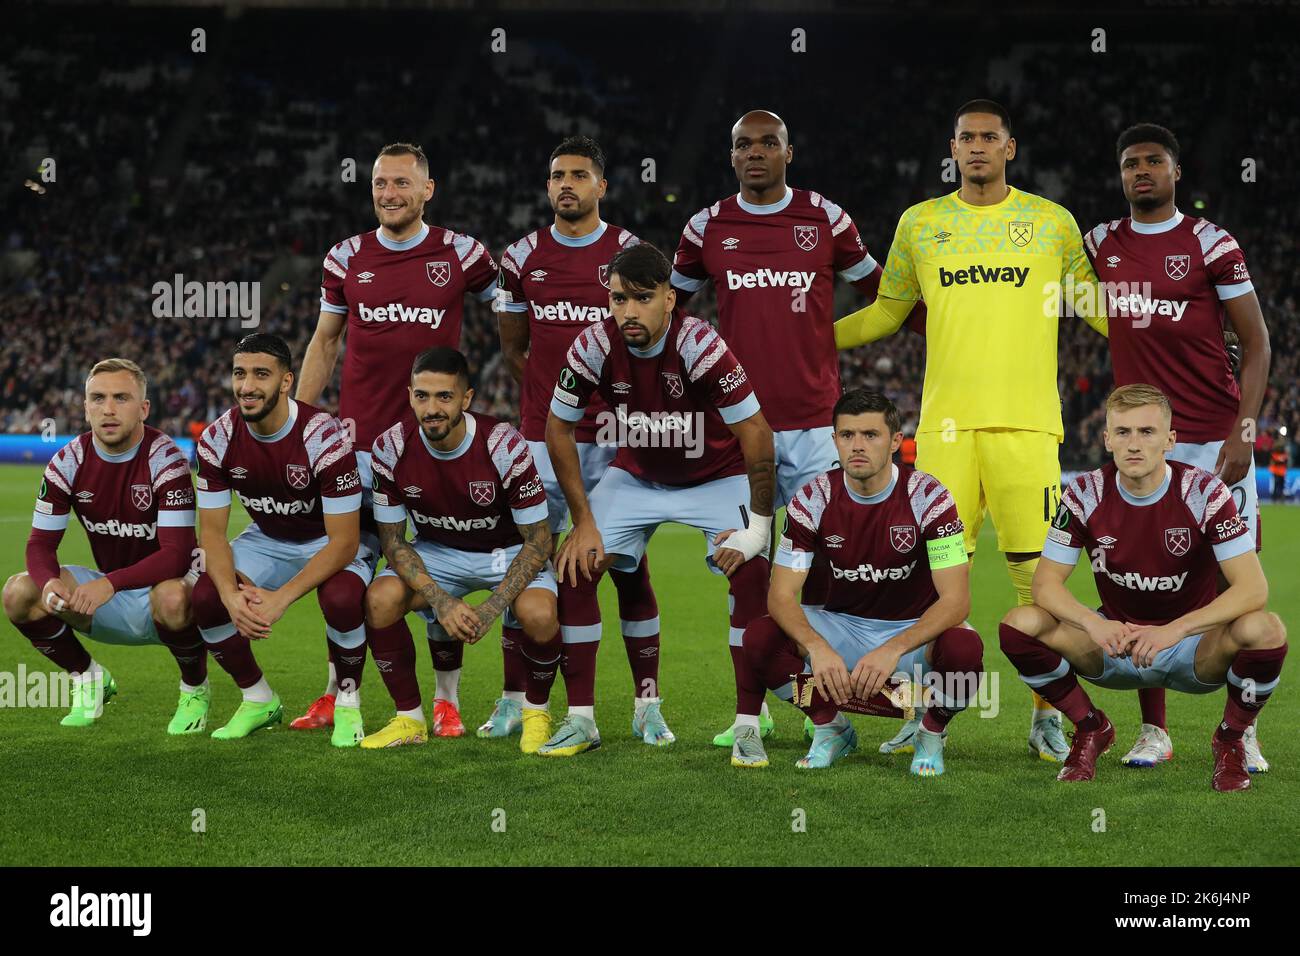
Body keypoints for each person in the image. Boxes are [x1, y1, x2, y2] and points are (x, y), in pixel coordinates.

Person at [834, 99, 1109, 762]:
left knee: (1036, 584)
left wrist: (1173, 338)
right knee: (928, 584)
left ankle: (1046, 714)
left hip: (1027, 429)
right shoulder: (921, 224)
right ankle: (925, 715)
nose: (978, 147)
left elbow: (1097, 308)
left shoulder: (1051, 223)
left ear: (1010, 147)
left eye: (990, 137)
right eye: (967, 138)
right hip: (945, 434)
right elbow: (885, 314)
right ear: (952, 148)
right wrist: (809, 342)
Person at [670, 109, 913, 747]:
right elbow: (671, 314)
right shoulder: (705, 227)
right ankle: (750, 717)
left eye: (768, 143)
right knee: (744, 574)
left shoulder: (827, 220)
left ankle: (837, 707)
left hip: (813, 430)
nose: (756, 153)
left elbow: (888, 297)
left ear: (789, 151)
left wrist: (948, 341)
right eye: (744, 145)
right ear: (730, 156)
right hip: (735, 430)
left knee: (830, 572)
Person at [1083, 123, 1272, 771]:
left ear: (1176, 172)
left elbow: (1257, 342)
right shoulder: (1099, 243)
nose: (1141, 171)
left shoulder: (1210, 242)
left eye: (1153, 161)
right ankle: (1153, 732)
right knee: (1142, 588)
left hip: (1216, 443)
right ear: (1120, 174)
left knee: (1238, 585)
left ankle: (1239, 730)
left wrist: (1244, 431)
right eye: (1130, 162)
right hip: (1142, 443)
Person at [294, 142, 499, 735]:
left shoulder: (463, 255)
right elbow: (326, 342)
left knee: (436, 569)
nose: (389, 194)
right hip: (357, 451)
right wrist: (302, 423)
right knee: (344, 581)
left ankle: (446, 700)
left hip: (435, 451)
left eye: (402, 184)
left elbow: (516, 319)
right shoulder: (345, 257)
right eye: (381, 183)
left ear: (428, 190)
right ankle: (337, 692)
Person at [544, 242, 776, 756]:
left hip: (716, 477)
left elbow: (757, 433)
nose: (628, 311)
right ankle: (586, 718)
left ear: (670, 298)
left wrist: (758, 528)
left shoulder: (699, 345)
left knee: (753, 571)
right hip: (638, 476)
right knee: (576, 565)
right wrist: (583, 521)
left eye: (642, 298)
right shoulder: (592, 345)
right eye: (618, 299)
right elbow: (557, 428)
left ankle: (748, 726)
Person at [999, 385, 1286, 791]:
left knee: (1266, 629)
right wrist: (1093, 624)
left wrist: (1176, 630)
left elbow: (1253, 589)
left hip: (1194, 648)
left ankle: (1230, 740)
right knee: (1020, 623)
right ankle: (1091, 727)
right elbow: (1045, 585)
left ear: (1170, 440)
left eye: (1147, 432)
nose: (1134, 444)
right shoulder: (1083, 494)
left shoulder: (1206, 492)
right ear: (1106, 439)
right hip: (1117, 642)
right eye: (1123, 432)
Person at [494, 135, 663, 744]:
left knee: (627, 572)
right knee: (530, 568)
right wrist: (556, 403)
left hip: (615, 442)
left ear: (602, 186)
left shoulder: (629, 253)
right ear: (547, 186)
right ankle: (517, 700)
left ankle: (648, 704)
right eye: (557, 175)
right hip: (541, 441)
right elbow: (514, 348)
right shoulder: (519, 258)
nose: (567, 184)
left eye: (579, 175)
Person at [734, 389, 982, 774]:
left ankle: (930, 732)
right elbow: (780, 594)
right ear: (834, 440)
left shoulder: (929, 497)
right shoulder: (812, 499)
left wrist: (893, 648)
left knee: (965, 651)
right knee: (760, 639)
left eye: (871, 435)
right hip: (837, 628)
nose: (858, 446)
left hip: (909, 634)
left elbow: (956, 601)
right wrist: (816, 647)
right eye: (847, 435)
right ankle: (830, 726)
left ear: (896, 441)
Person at [360, 348, 560, 751]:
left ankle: (536, 713)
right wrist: (442, 601)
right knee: (379, 601)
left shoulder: (502, 444)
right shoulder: (389, 449)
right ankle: (409, 720)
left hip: (506, 550)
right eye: (422, 396)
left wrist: (491, 608)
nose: (431, 408)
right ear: (410, 395)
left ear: (466, 398)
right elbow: (394, 541)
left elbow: (539, 540)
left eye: (444, 397)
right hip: (438, 550)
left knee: (538, 614)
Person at [4, 358, 207, 732]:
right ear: (85, 407)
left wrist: (109, 583)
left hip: (171, 591)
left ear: (143, 408)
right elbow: (39, 545)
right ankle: (88, 678)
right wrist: (49, 583)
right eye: (97, 398)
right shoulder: (67, 462)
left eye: (121, 398)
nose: (108, 409)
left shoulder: (167, 459)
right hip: (111, 594)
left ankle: (194, 689)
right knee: (19, 592)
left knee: (172, 598)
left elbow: (177, 555)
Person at [191, 334, 373, 744]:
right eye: (240, 374)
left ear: (286, 381)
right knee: (204, 597)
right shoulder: (218, 438)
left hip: (330, 538)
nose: (247, 386)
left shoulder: (323, 435)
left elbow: (343, 542)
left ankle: (347, 703)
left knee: (341, 599)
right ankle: (257, 698)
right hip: (269, 536)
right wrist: (230, 596)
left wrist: (281, 598)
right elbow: (214, 535)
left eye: (261, 374)